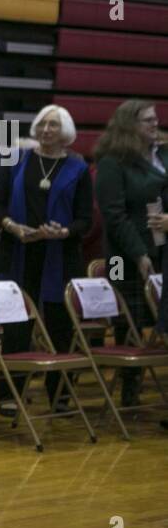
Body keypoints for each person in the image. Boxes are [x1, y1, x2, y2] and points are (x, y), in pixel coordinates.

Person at [0, 105, 91, 414]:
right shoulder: (16, 160)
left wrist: (64, 232)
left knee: (61, 327)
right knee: (16, 326)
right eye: (43, 124)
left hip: (60, 255)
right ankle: (10, 394)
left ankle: (60, 395)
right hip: (18, 251)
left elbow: (86, 219)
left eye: (54, 125)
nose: (47, 130)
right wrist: (12, 227)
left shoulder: (79, 170)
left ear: (66, 132)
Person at [94, 98, 165, 407]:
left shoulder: (162, 154)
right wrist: (139, 254)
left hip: (161, 246)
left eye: (155, 119)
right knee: (130, 317)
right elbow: (115, 215)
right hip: (124, 256)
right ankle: (128, 386)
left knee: (156, 317)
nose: (155, 124)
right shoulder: (114, 162)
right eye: (147, 120)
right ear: (129, 125)